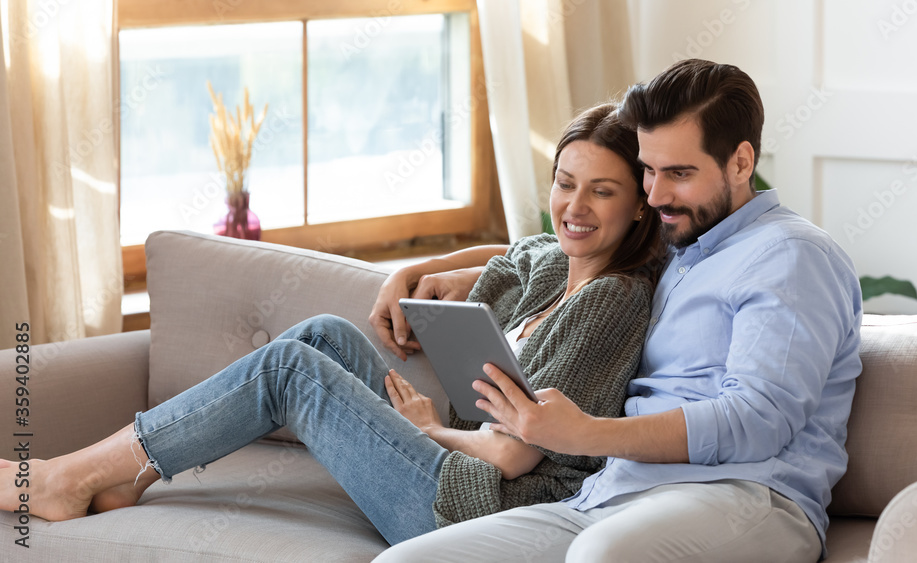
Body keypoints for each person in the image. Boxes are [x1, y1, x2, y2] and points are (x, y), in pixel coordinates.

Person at [0, 103, 664, 546]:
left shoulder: (612, 297)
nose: (574, 206)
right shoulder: (558, 262)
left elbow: (519, 451)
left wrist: (428, 427)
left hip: (475, 504)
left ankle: (64, 479)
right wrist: (419, 270)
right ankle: (128, 474)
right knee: (322, 333)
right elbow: (514, 250)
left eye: (602, 190)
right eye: (564, 181)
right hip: (450, 459)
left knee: (290, 369)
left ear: (640, 205)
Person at [373, 59, 863, 562]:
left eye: (678, 173)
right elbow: (557, 246)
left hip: (747, 493)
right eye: (648, 171)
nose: (654, 194)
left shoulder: (791, 256)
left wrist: (583, 432)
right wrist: (432, 272)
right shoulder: (681, 242)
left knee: (600, 556)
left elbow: (756, 421)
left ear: (741, 163)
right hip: (614, 492)